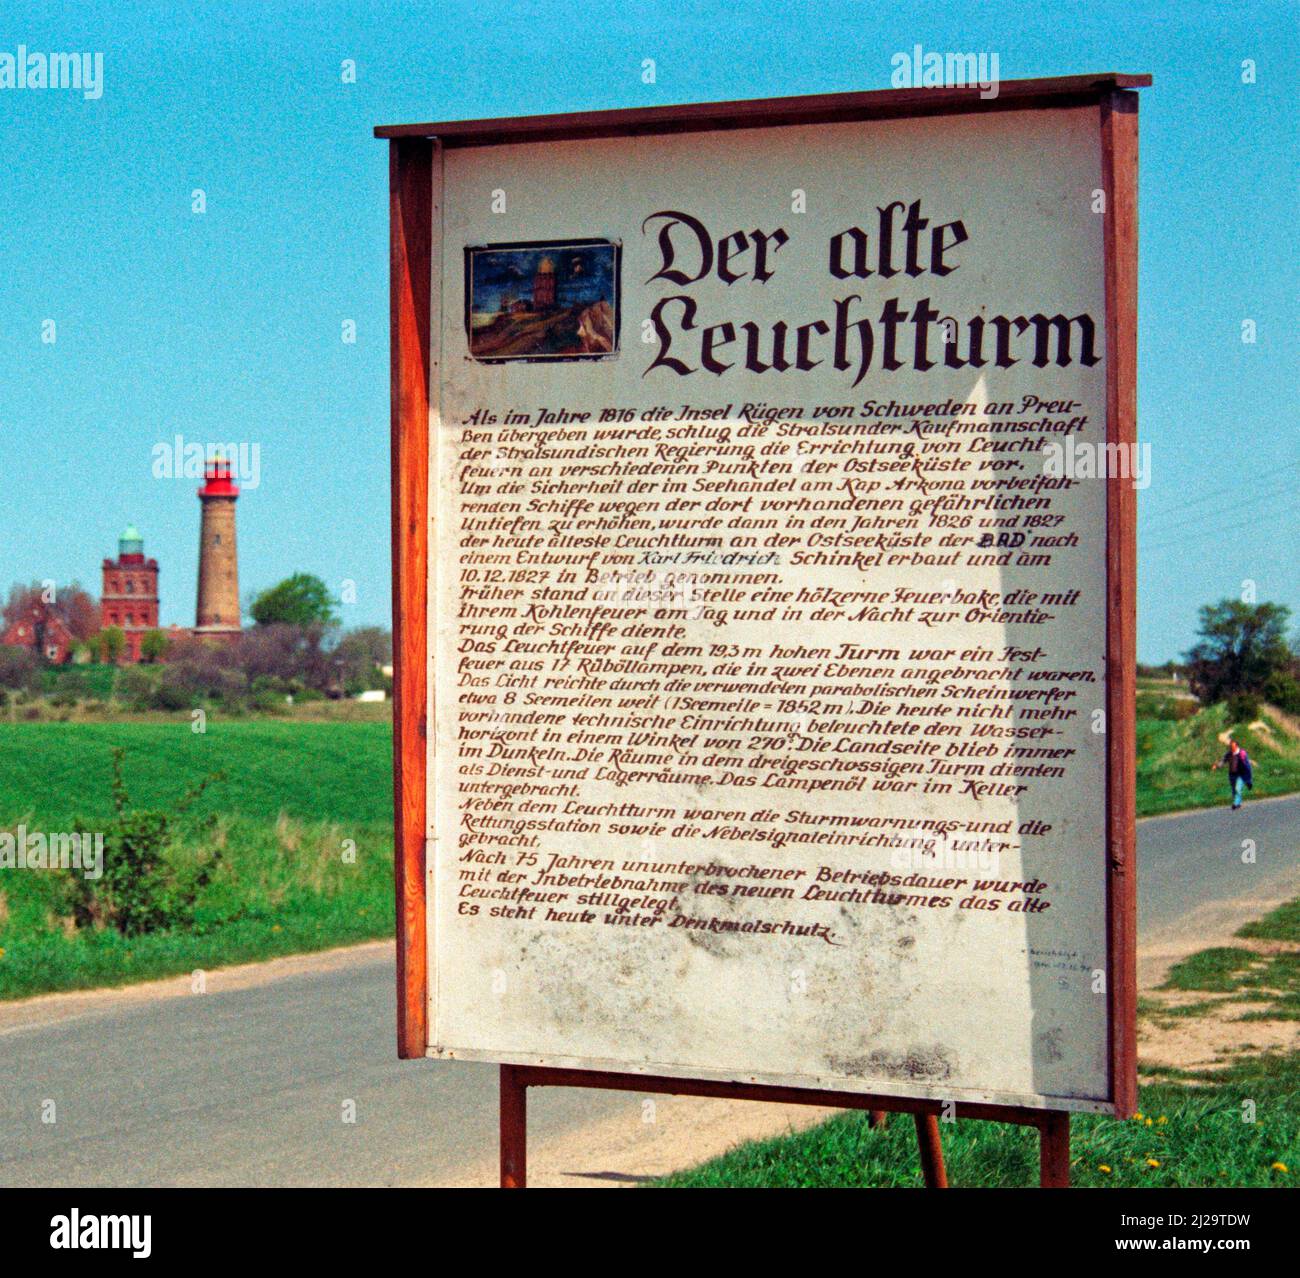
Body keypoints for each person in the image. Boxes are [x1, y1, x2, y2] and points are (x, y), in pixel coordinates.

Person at [1212, 738, 1254, 811]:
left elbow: (1247, 764)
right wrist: (1217, 766)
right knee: (1234, 790)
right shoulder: (1228, 754)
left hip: (1240, 773)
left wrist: (1247, 776)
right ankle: (1238, 803)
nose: (1231, 748)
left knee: (1238, 788)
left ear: (1237, 746)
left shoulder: (1242, 753)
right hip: (1232, 774)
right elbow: (1223, 761)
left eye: (1233, 746)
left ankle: (1236, 803)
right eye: (1230, 746)